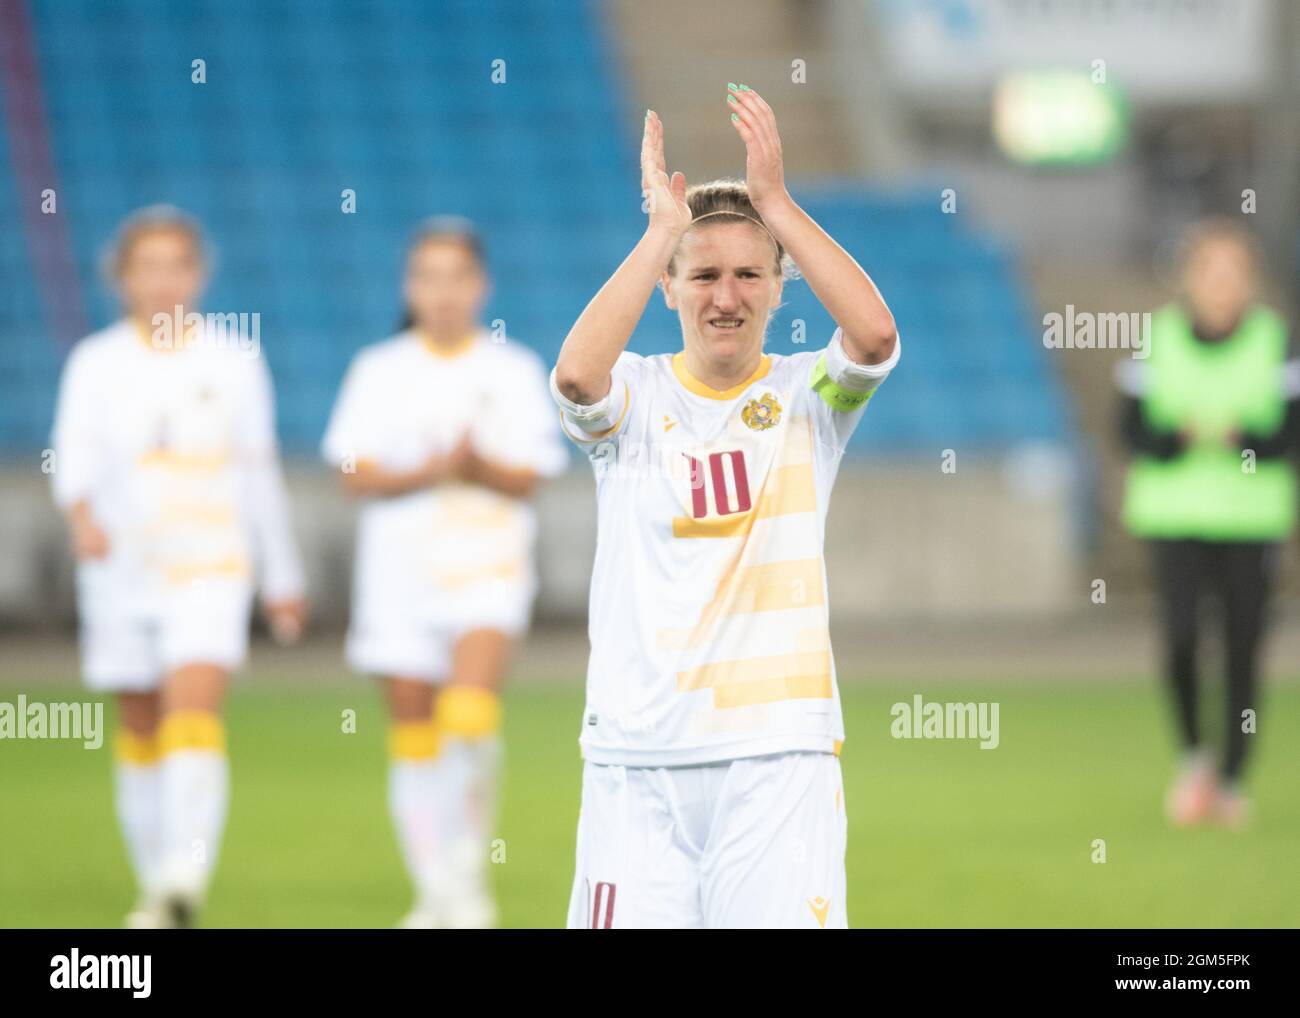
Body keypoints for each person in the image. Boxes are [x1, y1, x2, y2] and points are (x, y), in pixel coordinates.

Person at [551, 86, 900, 928]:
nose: (726, 296)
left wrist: (777, 204)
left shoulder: (805, 397)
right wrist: (660, 233)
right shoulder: (632, 394)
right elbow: (574, 379)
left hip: (777, 756)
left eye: (750, 274)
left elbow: (875, 337)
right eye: (703, 274)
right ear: (669, 289)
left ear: (780, 291)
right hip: (635, 759)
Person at [50, 205, 306, 927]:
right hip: (122, 573)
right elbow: (74, 463)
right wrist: (84, 520)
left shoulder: (233, 360)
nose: (163, 281)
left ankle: (183, 877)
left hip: (210, 566)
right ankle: (156, 886)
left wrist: (281, 577)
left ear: (198, 273)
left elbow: (258, 473)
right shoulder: (96, 363)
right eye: (148, 266)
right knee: (140, 727)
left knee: (192, 713)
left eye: (177, 265)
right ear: (123, 277)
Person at [321, 217, 567, 928]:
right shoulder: (379, 369)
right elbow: (349, 469)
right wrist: (429, 469)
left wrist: (477, 465)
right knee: (414, 734)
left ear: (479, 284)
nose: (443, 291)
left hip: (486, 567)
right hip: (399, 577)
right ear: (410, 286)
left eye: (456, 276)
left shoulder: (513, 369)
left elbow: (531, 474)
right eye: (427, 276)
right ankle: (437, 887)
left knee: (469, 716)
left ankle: (465, 869)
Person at [1117, 218, 1300, 829]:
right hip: (1175, 516)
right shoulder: (1156, 339)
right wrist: (1182, 437)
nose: (1222, 284)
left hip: (1251, 520)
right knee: (1180, 641)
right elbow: (1133, 430)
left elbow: (1288, 434)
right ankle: (1195, 757)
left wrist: (1242, 436)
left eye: (1234, 272)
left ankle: (1232, 777)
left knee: (1245, 646)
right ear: (1191, 279)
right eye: (1211, 271)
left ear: (1249, 280)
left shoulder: (1278, 341)